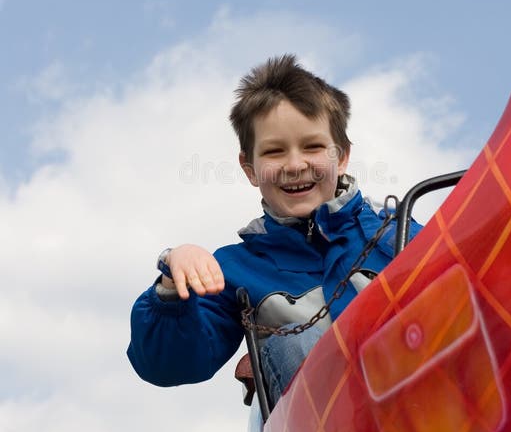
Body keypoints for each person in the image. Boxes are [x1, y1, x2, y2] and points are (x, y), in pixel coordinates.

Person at [127, 54, 421, 405]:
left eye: (312, 147)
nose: (295, 165)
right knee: (295, 343)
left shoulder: (398, 233)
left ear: (341, 156)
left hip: (428, 408)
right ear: (250, 168)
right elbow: (170, 365)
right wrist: (173, 288)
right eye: (274, 152)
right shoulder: (235, 270)